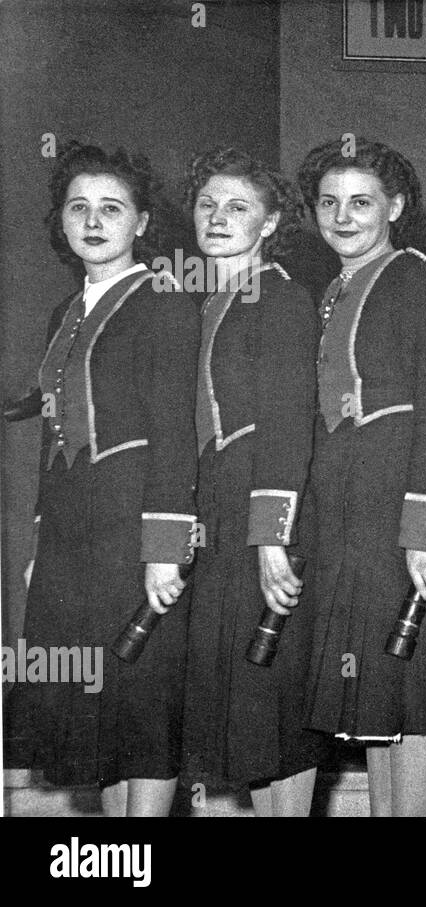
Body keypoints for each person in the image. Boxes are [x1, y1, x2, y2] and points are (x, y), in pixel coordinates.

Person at [5, 142, 199, 816]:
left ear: (143, 222)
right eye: (78, 207)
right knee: (100, 716)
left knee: (142, 707)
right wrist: (38, 549)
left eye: (111, 208)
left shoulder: (165, 300)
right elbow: (53, 440)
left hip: (133, 529)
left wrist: (166, 549)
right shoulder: (66, 313)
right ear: (60, 220)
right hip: (70, 536)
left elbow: (177, 432)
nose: (93, 220)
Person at [296, 137, 426, 816]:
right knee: (374, 682)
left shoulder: (417, 278)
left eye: (360, 201)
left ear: (394, 205)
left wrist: (425, 527)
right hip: (345, 504)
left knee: (410, 676)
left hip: (396, 498)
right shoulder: (332, 290)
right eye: (329, 202)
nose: (343, 215)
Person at [180, 147, 327, 815]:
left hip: (264, 512)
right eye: (207, 204)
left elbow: (289, 424)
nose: (217, 216)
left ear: (270, 223)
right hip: (217, 512)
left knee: (272, 702)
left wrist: (272, 538)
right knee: (240, 707)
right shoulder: (207, 302)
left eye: (238, 206)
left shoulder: (283, 298)